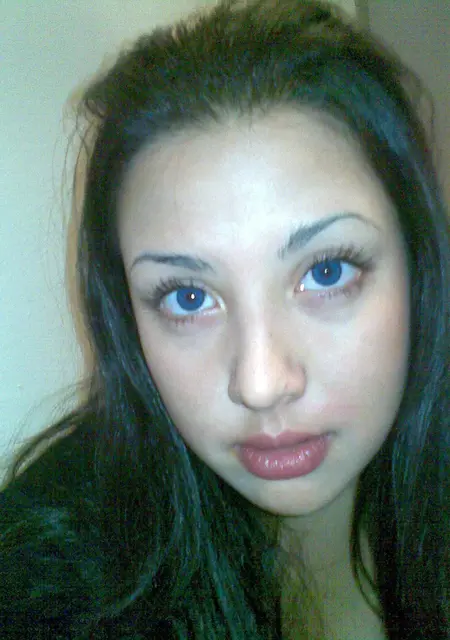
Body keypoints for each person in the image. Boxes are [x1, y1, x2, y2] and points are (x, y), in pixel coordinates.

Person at [1, 1, 448, 638]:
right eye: (187, 298)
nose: (261, 385)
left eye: (326, 272)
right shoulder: (55, 574)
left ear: (418, 264)